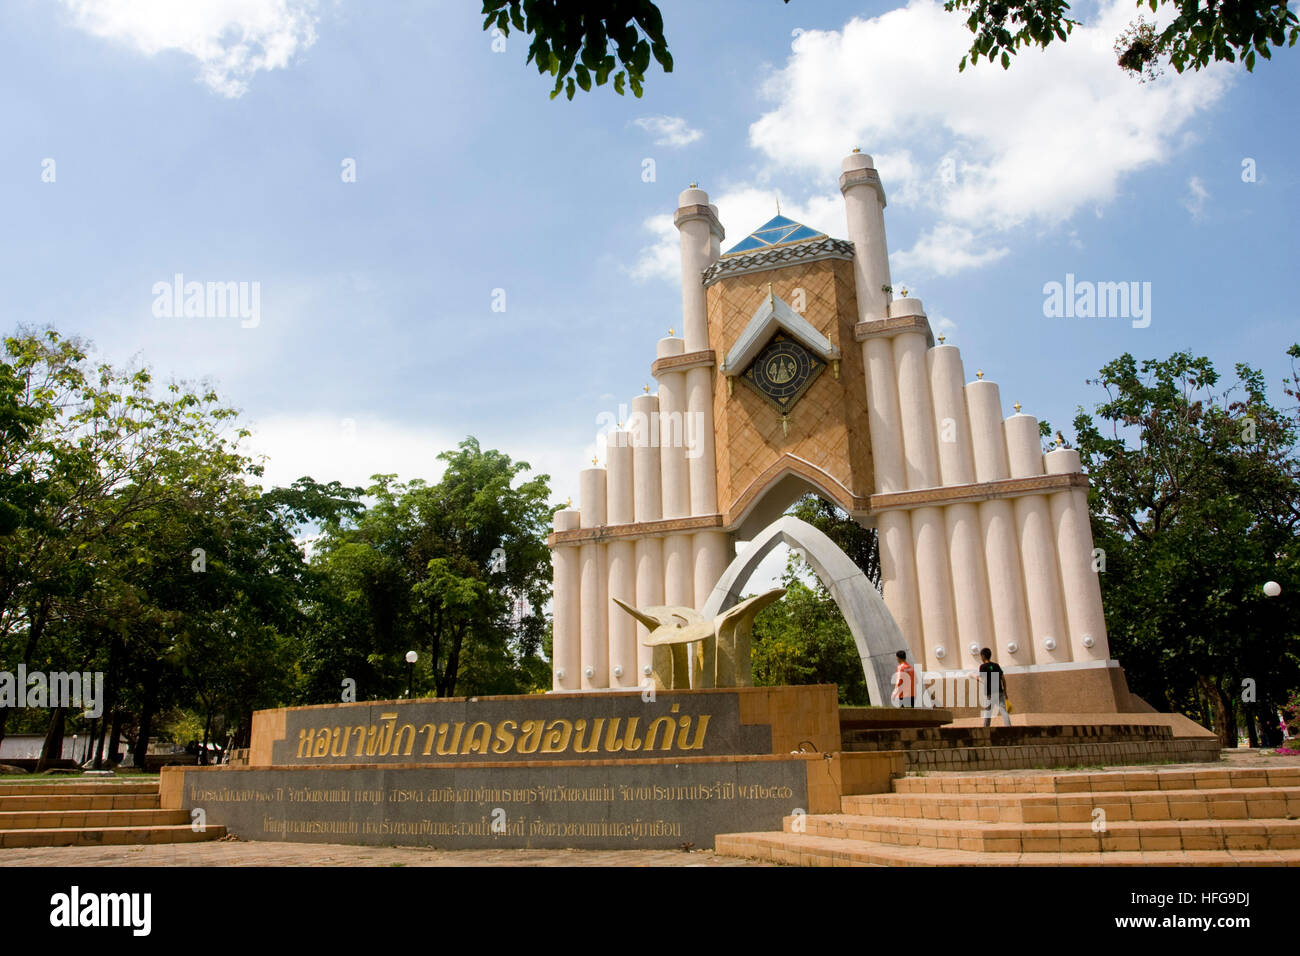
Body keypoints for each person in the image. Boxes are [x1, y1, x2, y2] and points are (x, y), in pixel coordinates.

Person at [978, 647, 1011, 727]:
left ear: (983, 656)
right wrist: (1005, 692)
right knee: (1003, 711)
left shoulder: (983, 667)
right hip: (999, 691)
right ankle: (1008, 727)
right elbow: (1003, 679)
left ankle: (986, 728)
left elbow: (984, 681)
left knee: (988, 712)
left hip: (990, 693)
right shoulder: (996, 666)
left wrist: (977, 678)